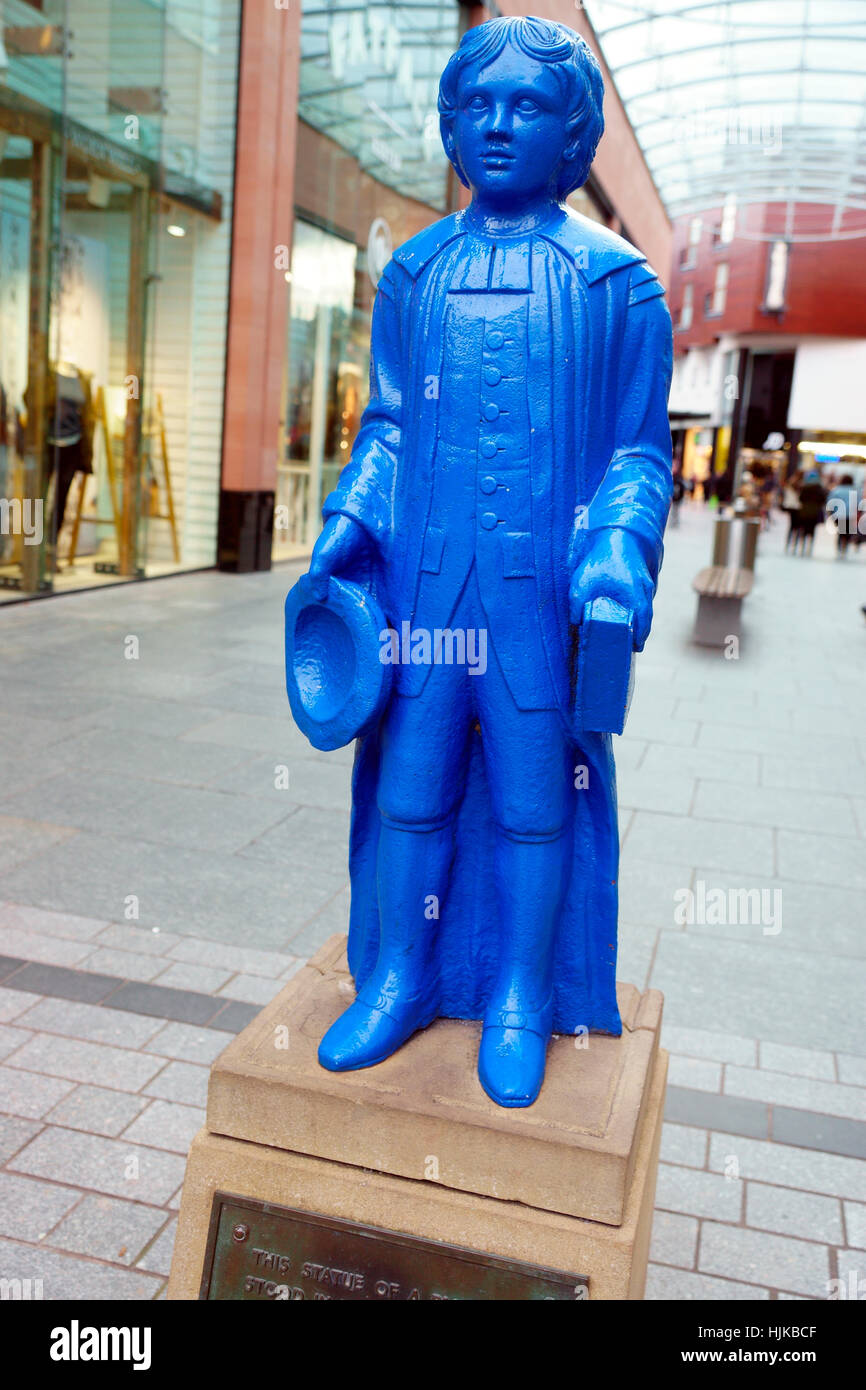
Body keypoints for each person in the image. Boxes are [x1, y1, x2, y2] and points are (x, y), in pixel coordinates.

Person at [306, 15, 673, 1107]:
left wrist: (613, 555)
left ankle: (517, 989)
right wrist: (347, 520)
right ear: (451, 127)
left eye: (528, 107)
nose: (499, 125)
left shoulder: (618, 288)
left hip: (532, 610)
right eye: (478, 107)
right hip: (426, 597)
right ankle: (404, 974)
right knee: (410, 797)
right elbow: (385, 424)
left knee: (532, 802)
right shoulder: (411, 275)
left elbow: (635, 457)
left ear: (573, 135)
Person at [791, 469, 827, 555]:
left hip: (804, 511)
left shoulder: (805, 488)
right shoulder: (819, 489)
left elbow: (800, 499)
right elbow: (823, 500)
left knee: (803, 528)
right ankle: (809, 545)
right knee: (812, 529)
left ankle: (802, 544)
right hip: (814, 512)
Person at [825, 473, 860, 557]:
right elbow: (859, 504)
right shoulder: (855, 490)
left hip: (839, 515)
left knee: (840, 531)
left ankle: (840, 547)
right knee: (847, 531)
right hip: (850, 515)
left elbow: (830, 502)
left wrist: (830, 514)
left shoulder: (836, 490)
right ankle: (845, 547)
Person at [782, 471, 802, 551]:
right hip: (797, 507)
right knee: (796, 526)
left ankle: (789, 542)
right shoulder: (800, 485)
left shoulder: (790, 484)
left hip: (790, 506)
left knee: (791, 525)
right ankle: (795, 542)